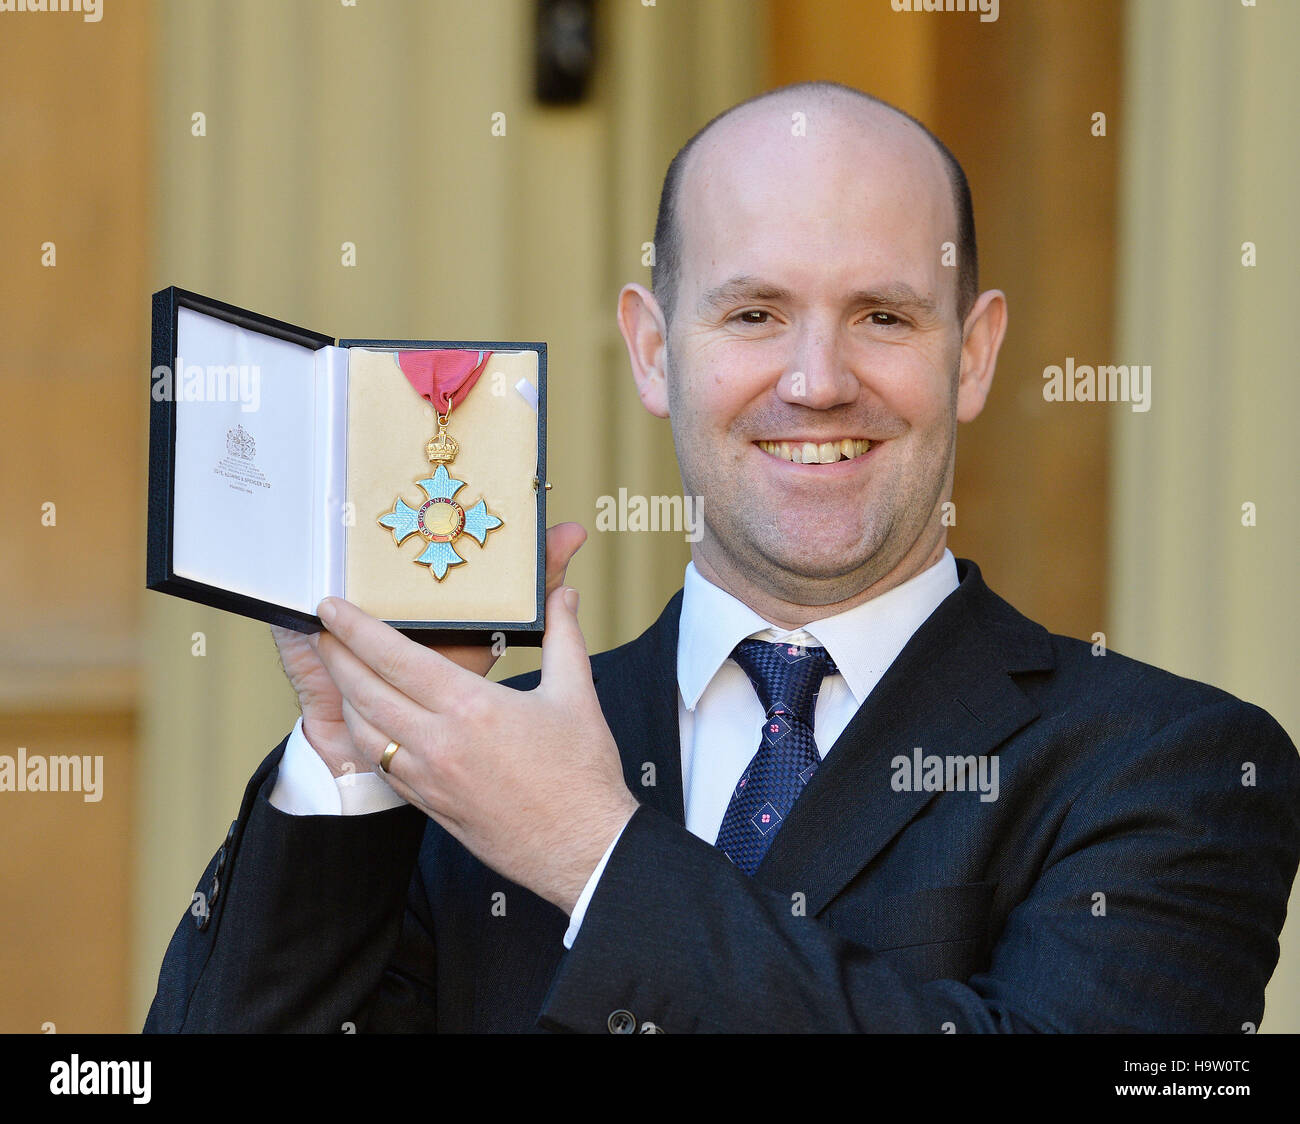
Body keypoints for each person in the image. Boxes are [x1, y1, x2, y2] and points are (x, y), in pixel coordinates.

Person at [145, 81, 1300, 1033]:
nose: (815, 379)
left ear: (974, 353)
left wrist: (595, 850)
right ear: (653, 352)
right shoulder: (462, 768)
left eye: (883, 317)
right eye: (752, 314)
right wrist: (350, 763)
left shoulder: (1175, 767)